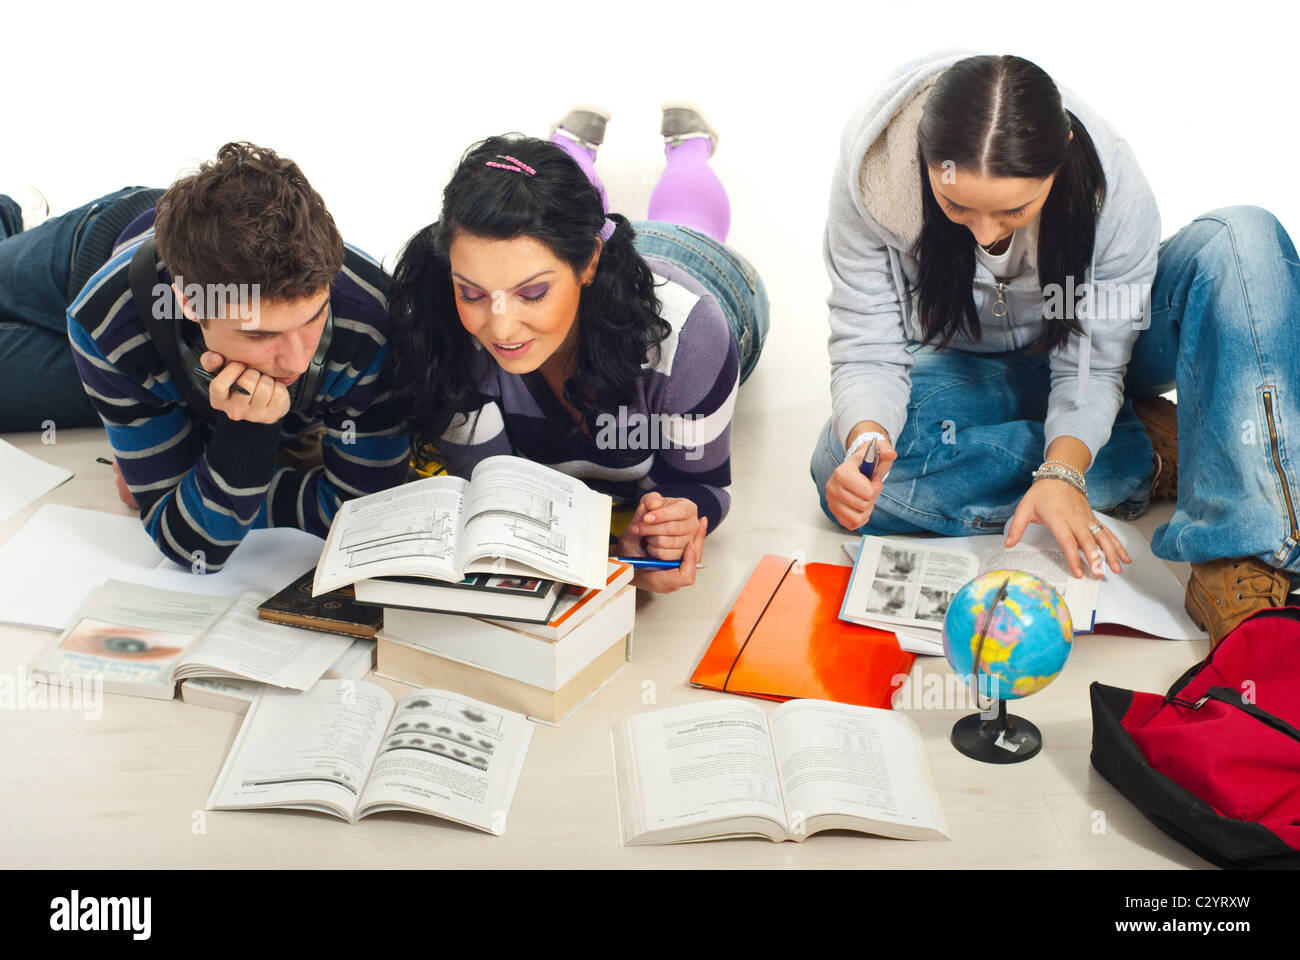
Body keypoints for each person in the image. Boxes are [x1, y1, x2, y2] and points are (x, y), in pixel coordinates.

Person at [809, 51, 1299, 645]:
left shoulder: (1112, 182)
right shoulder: (873, 179)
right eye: (957, 206)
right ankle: (1153, 452)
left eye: (1013, 210)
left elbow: (1095, 360)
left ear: (1061, 155)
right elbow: (868, 344)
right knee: (838, 453)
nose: (985, 235)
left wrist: (1064, 468)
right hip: (978, 367)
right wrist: (868, 439)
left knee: (1242, 235)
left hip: (1106, 350)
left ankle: (1243, 548)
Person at [388, 105, 769, 594]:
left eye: (532, 293)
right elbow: (497, 492)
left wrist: (670, 526)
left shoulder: (691, 333)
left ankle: (689, 149)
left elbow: (704, 486)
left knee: (689, 219)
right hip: (586, 251)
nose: (500, 328)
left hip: (704, 267)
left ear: (590, 260)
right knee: (544, 206)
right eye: (473, 292)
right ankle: (569, 150)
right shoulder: (444, 327)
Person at [41, 142, 409, 571]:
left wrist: (232, 450)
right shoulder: (102, 325)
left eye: (312, 319)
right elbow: (186, 538)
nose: (294, 361)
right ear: (189, 304)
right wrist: (215, 471)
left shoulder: (372, 321)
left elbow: (362, 515)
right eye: (259, 335)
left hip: (149, 326)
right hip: (87, 243)